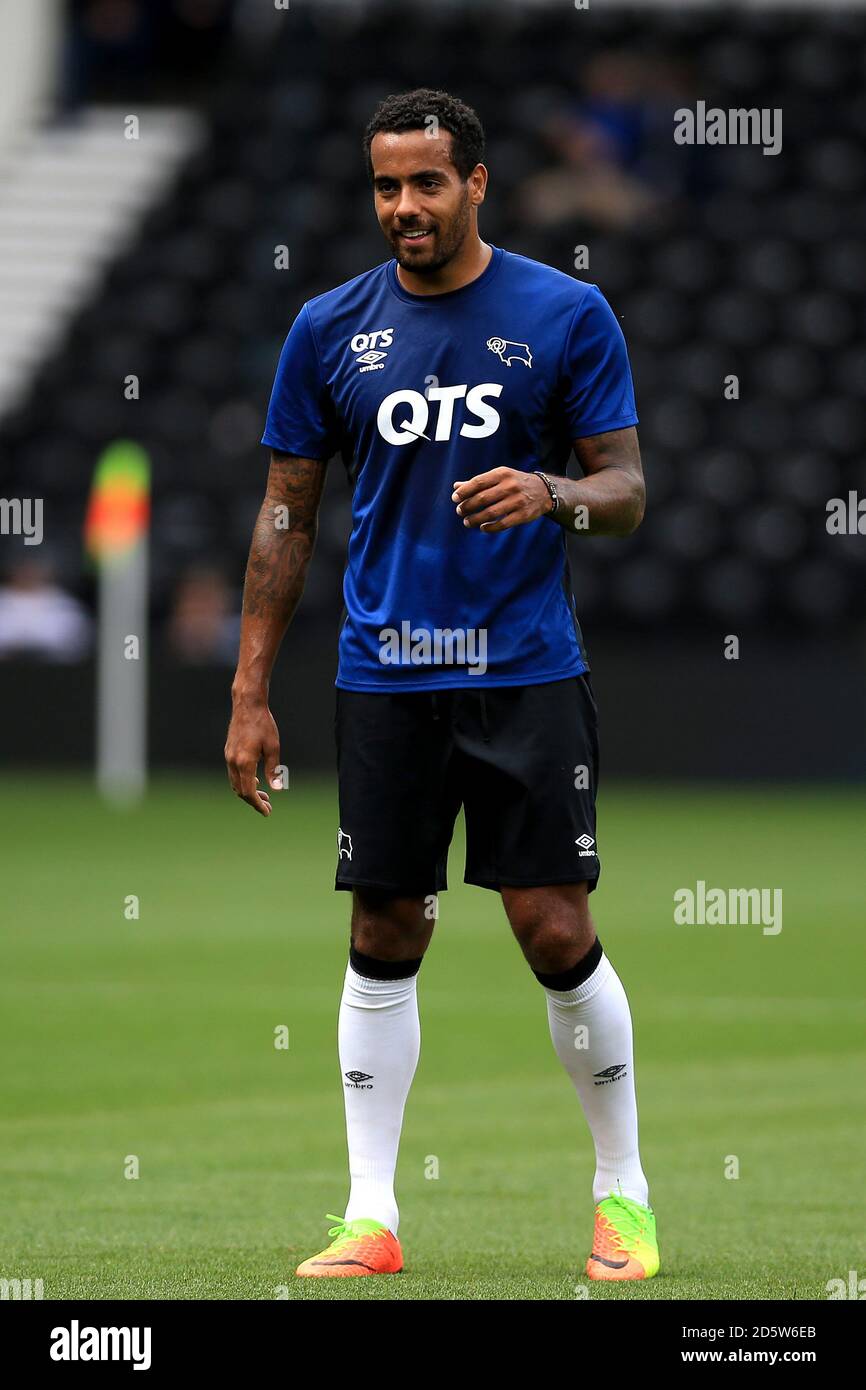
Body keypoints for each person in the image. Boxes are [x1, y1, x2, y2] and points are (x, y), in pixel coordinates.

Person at [225, 88, 657, 1283]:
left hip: (523, 670)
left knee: (551, 923)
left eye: (424, 183)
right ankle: (370, 1214)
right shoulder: (327, 329)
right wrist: (249, 689)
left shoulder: (563, 311)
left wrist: (551, 491)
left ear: (476, 183)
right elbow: (284, 513)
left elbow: (623, 487)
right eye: (383, 186)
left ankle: (621, 1194)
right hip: (386, 675)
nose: (401, 207)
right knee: (382, 926)